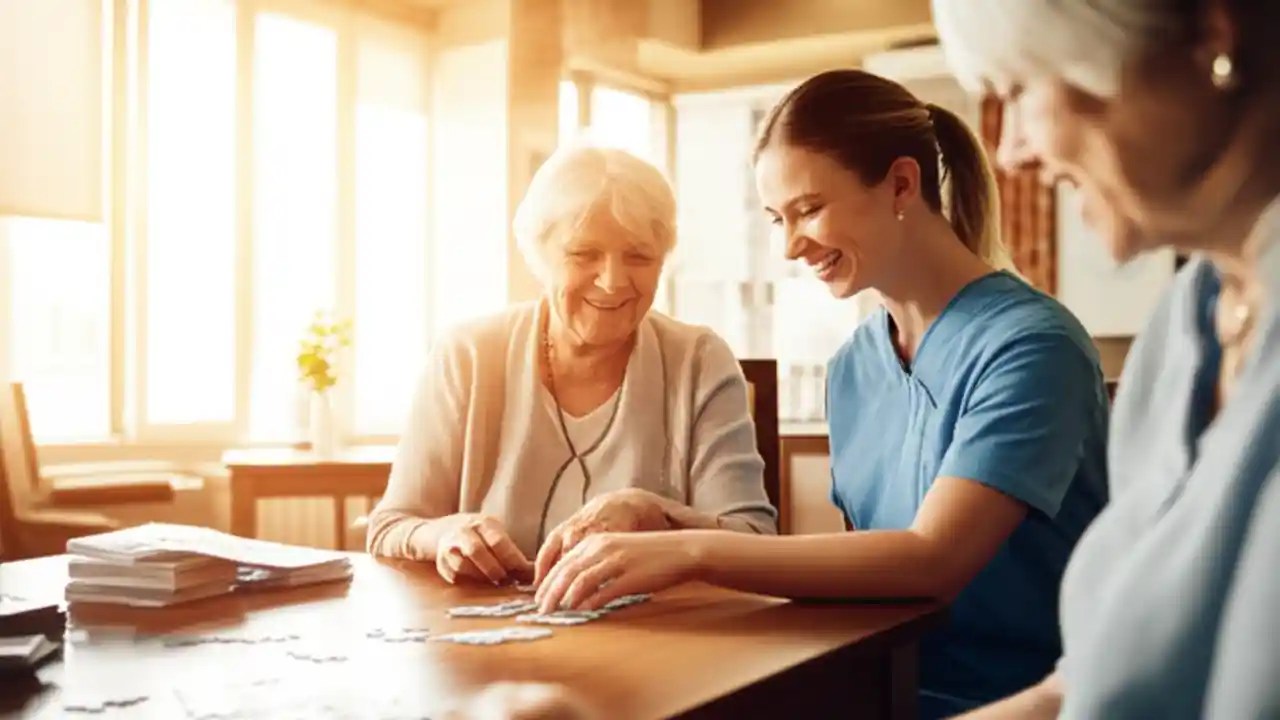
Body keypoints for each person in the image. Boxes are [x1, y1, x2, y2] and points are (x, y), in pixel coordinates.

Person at [535, 69, 1110, 718]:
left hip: (1021, 702)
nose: (789, 245)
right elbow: (863, 567)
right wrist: (660, 514)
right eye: (778, 219)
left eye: (809, 210)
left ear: (901, 184)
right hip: (871, 689)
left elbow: (930, 560)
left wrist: (690, 551)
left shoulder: (1032, 346)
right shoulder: (854, 366)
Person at [927, 0, 1280, 718]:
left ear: (1213, 42)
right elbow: (1084, 687)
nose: (1012, 153)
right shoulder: (1183, 326)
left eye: (1024, 89)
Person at [366, 144, 777, 585]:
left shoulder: (699, 361)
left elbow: (753, 539)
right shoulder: (467, 352)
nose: (613, 280)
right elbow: (392, 525)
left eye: (639, 256)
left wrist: (653, 514)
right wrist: (444, 533)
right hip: (489, 642)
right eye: (584, 254)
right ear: (540, 256)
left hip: (658, 639)